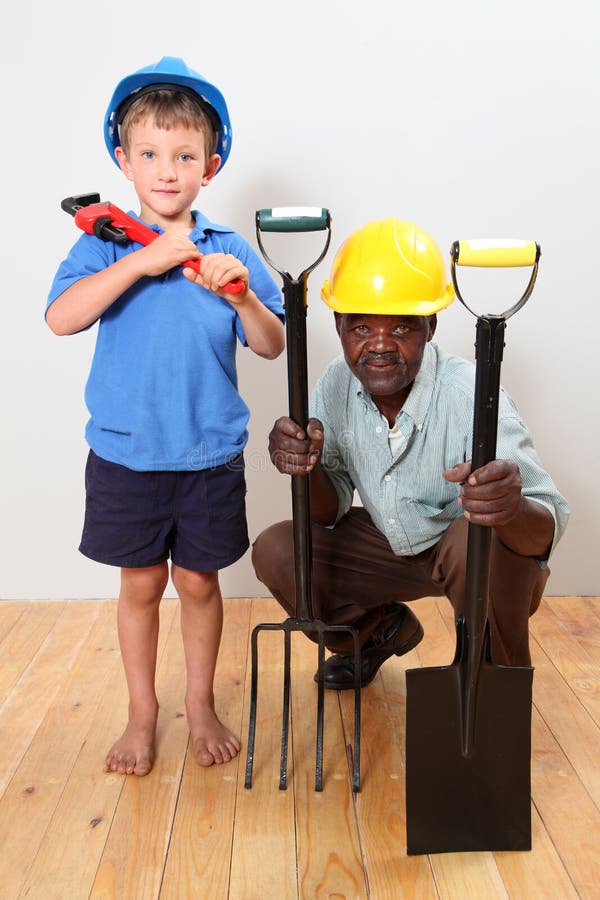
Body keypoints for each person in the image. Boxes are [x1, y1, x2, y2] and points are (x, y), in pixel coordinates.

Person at [46, 57, 285, 775]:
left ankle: (202, 701)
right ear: (123, 160)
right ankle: (142, 712)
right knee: (141, 585)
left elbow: (272, 344)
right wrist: (138, 265)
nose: (167, 170)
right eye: (149, 154)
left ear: (210, 166)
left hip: (208, 454)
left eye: (185, 156)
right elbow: (61, 318)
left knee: (200, 584)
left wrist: (242, 296)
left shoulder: (229, 249)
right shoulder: (104, 241)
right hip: (126, 455)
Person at [252, 218, 569, 689]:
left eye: (400, 327)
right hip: (389, 546)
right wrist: (308, 468)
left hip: (476, 560)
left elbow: (546, 526)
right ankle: (376, 635)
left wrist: (510, 505)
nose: (379, 346)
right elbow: (326, 512)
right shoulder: (335, 385)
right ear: (339, 327)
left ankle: (492, 689)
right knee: (279, 548)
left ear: (430, 326)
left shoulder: (470, 392)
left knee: (475, 535)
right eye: (360, 327)